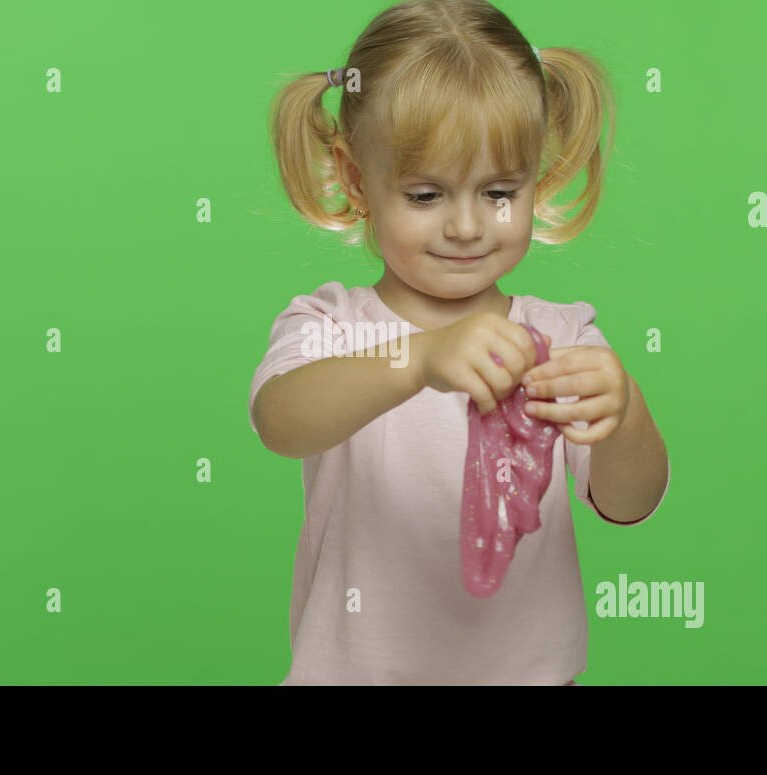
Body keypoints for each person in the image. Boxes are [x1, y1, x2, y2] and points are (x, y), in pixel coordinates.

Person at [251, 0, 671, 685]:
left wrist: (625, 415)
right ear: (357, 178)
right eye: (426, 195)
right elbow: (281, 420)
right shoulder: (332, 327)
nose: (468, 225)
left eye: (500, 191)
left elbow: (630, 502)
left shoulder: (560, 337)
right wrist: (418, 358)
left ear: (537, 176)